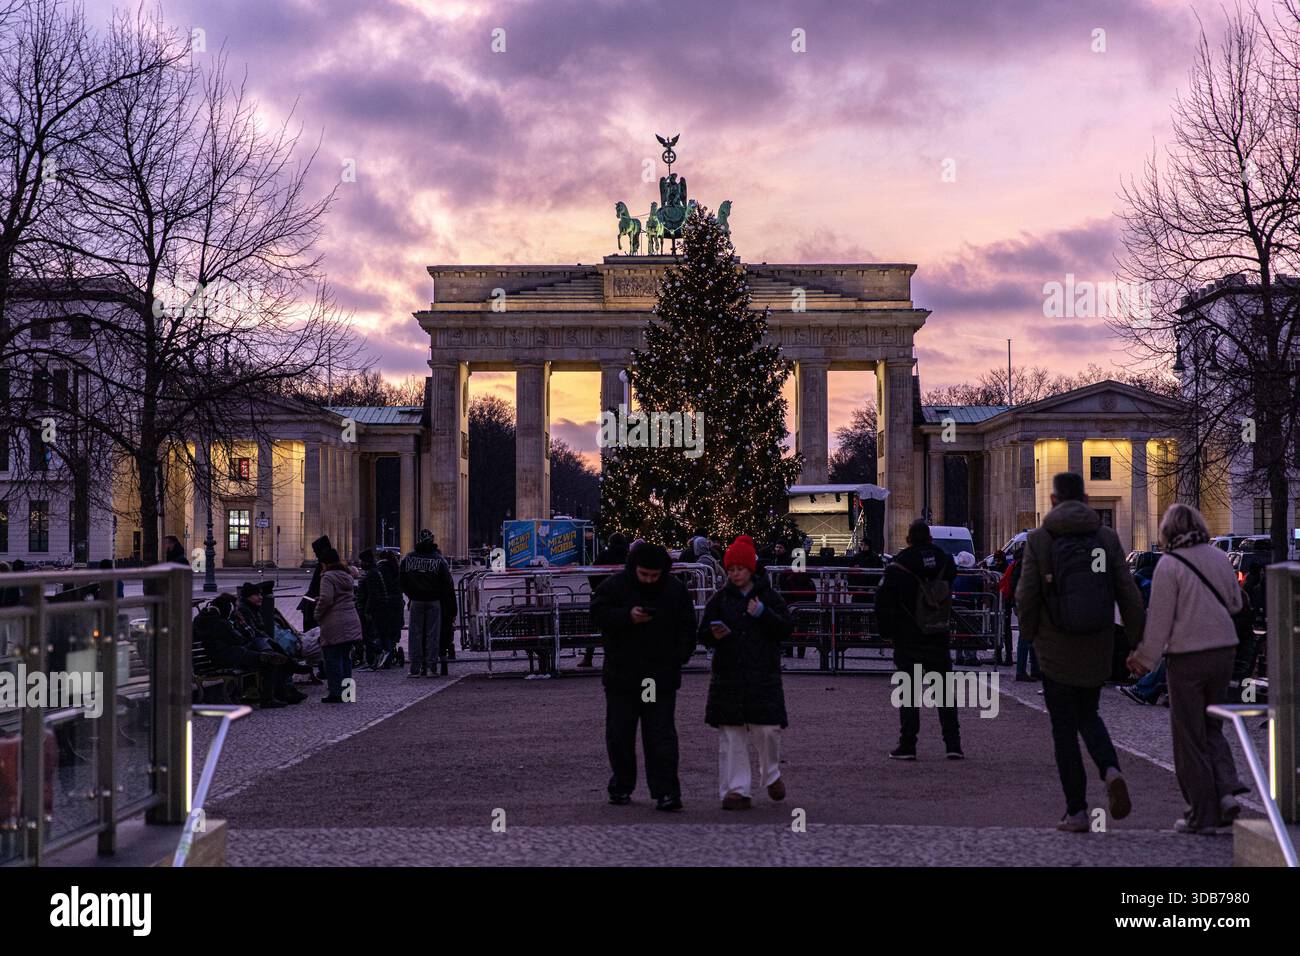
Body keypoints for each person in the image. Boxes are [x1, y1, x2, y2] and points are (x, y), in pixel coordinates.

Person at [1016, 471, 1145, 833]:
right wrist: (1136, 641)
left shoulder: (1040, 539)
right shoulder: (1105, 537)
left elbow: (1027, 596)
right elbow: (1128, 593)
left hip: (1054, 648)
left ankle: (1076, 812)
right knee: (1089, 716)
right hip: (1096, 643)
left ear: (1054, 500)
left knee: (1063, 729)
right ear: (1087, 499)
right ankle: (1110, 769)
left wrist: (1029, 636)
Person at [1127, 504, 1245, 834]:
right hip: (1225, 650)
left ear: (1168, 531)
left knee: (1188, 736)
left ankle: (1201, 814)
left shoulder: (1170, 565)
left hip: (1188, 657)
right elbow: (1236, 603)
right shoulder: (1219, 557)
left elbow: (1160, 621)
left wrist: (1145, 660)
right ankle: (1225, 792)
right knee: (1212, 727)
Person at [590, 542, 696, 811]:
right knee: (620, 734)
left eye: (654, 575)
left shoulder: (674, 591)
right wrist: (626, 617)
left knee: (659, 734)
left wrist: (678, 656)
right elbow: (597, 613)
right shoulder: (615, 586)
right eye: (644, 574)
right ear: (633, 569)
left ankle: (666, 792)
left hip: (657, 676)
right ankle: (622, 785)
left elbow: (688, 627)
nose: (649, 580)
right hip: (623, 675)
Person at [698, 535, 794, 810]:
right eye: (730, 570)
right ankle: (736, 790)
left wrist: (763, 614)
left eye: (738, 569)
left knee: (767, 730)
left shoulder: (769, 598)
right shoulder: (720, 600)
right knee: (732, 734)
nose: (735, 574)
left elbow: (786, 628)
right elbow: (703, 632)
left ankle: (771, 773)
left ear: (750, 569)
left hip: (761, 674)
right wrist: (714, 635)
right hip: (730, 674)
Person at [875, 519, 962, 760]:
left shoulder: (899, 564)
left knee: (909, 694)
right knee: (944, 692)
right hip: (938, 632)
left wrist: (887, 633)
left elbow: (882, 602)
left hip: (908, 636)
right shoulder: (946, 560)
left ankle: (908, 744)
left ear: (908, 539)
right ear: (930, 538)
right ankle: (953, 744)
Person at [194, 594, 293, 709]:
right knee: (269, 660)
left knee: (261, 645)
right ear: (228, 608)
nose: (235, 610)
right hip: (229, 658)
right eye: (234, 607)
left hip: (225, 656)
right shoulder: (222, 623)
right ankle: (268, 698)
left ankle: (268, 654)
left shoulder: (202, 620)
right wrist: (235, 624)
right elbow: (238, 639)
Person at [400, 530, 455, 677]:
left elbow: (402, 579)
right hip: (433, 601)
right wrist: (439, 595)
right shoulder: (439, 560)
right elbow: (447, 582)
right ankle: (431, 668)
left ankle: (415, 668)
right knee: (433, 635)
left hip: (416, 600)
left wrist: (410, 594)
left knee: (415, 635)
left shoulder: (409, 558)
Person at [314, 547, 363, 703]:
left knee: (332, 659)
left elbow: (327, 599)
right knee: (346, 659)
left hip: (334, 622)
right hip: (350, 619)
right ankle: (348, 693)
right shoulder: (346, 575)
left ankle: (335, 693)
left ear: (324, 563)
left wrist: (317, 613)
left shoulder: (327, 577)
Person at [581, 533, 630, 668]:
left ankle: (588, 656)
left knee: (594, 624)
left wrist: (597, 588)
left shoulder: (604, 555)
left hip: (605, 596)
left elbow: (593, 573)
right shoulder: (629, 556)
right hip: (625, 598)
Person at [356, 549, 389, 669]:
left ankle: (377, 656)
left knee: (368, 635)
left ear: (366, 562)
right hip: (372, 609)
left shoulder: (371, 573)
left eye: (361, 561)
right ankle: (371, 661)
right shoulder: (373, 572)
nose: (360, 563)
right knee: (368, 635)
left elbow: (372, 594)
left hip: (371, 610)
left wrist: (367, 611)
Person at [951, 551, 984, 665]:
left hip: (955, 604)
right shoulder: (972, 575)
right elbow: (981, 585)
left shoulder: (956, 573)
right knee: (971, 631)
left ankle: (959, 656)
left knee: (958, 631)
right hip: (969, 604)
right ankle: (970, 657)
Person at [297, 535, 332, 631]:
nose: (315, 554)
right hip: (312, 601)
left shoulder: (324, 566)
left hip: (315, 603)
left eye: (316, 551)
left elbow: (320, 590)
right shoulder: (322, 564)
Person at [378, 551, 406, 668]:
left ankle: (386, 658)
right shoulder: (397, 570)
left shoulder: (380, 570)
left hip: (385, 604)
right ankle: (393, 651)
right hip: (397, 604)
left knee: (384, 633)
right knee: (394, 631)